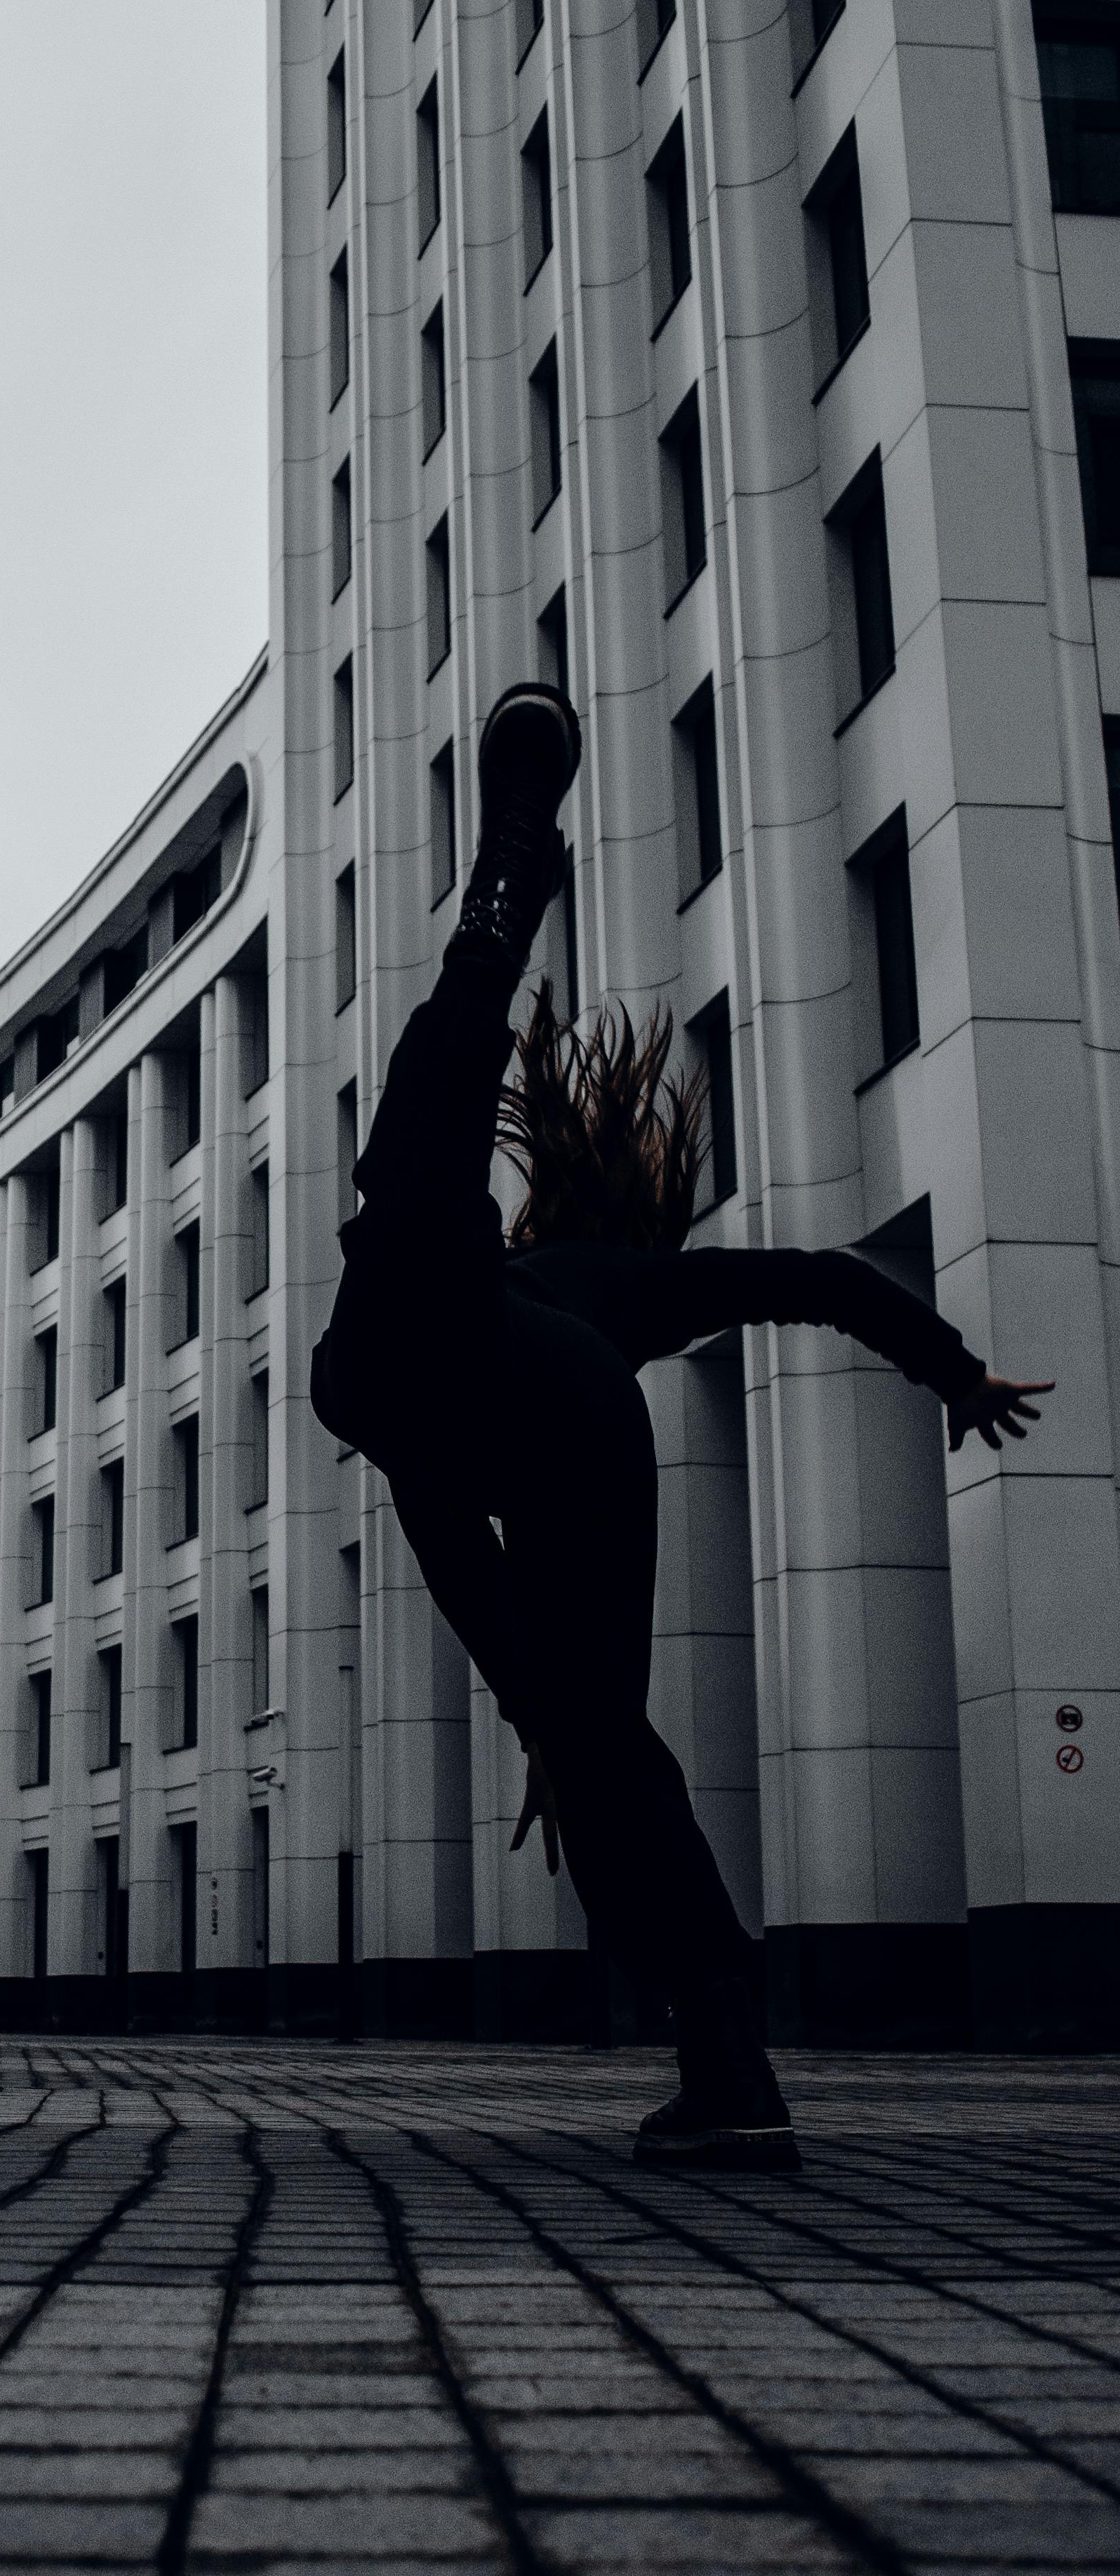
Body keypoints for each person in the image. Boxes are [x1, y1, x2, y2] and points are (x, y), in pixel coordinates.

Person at [311, 683, 1053, 2171]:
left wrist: (532, 1704)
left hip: (429, 1382)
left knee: (415, 1188)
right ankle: (726, 2062)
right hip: (579, 1427)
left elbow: (454, 1554)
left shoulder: (545, 1275)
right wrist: (948, 1369)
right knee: (612, 1759)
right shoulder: (623, 1289)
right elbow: (812, 1277)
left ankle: (503, 892)